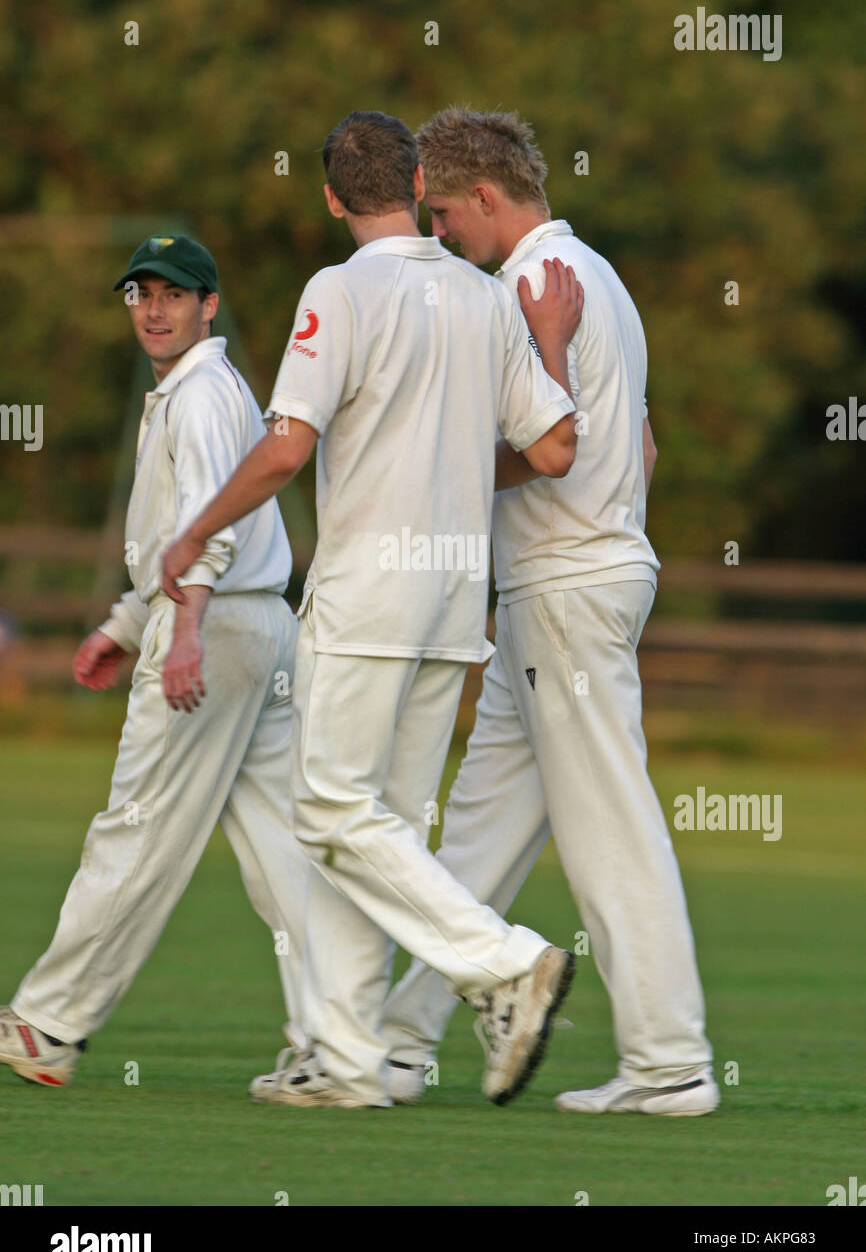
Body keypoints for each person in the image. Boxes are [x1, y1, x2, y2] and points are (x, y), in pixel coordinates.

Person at [162, 112, 581, 1110]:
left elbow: (284, 448)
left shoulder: (336, 290)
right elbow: (558, 446)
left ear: (330, 197)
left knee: (332, 811)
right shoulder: (485, 298)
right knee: (371, 826)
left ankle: (502, 962)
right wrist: (550, 346)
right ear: (419, 176)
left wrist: (192, 534)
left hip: (367, 593)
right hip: (451, 600)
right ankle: (348, 1063)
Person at [381, 107, 718, 1118]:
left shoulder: (528, 287)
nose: (439, 232)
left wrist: (430, 480)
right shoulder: (594, 277)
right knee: (477, 836)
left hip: (565, 587)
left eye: (442, 211)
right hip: (566, 583)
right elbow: (642, 449)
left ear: (483, 196)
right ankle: (395, 1045)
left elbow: (543, 444)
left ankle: (668, 1066)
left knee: (610, 831)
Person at [0, 235, 308, 1087]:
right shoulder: (192, 392)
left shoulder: (203, 392)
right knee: (286, 850)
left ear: (210, 306)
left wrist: (185, 632)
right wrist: (131, 622)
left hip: (213, 628)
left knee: (137, 829)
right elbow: (179, 533)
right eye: (141, 294)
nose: (154, 309)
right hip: (257, 630)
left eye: (174, 295)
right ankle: (341, 1038)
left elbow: (213, 522)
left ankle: (49, 1023)